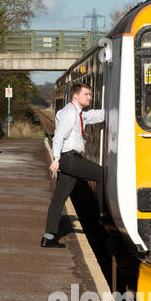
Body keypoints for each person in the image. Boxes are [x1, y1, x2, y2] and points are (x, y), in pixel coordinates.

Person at [40, 83, 105, 247]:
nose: (90, 97)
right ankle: (104, 216)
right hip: (70, 159)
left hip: (69, 159)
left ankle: (48, 238)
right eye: (86, 94)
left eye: (90, 94)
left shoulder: (78, 112)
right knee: (103, 175)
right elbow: (59, 136)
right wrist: (55, 159)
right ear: (76, 96)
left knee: (59, 198)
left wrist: (114, 109)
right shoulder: (70, 113)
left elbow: (95, 116)